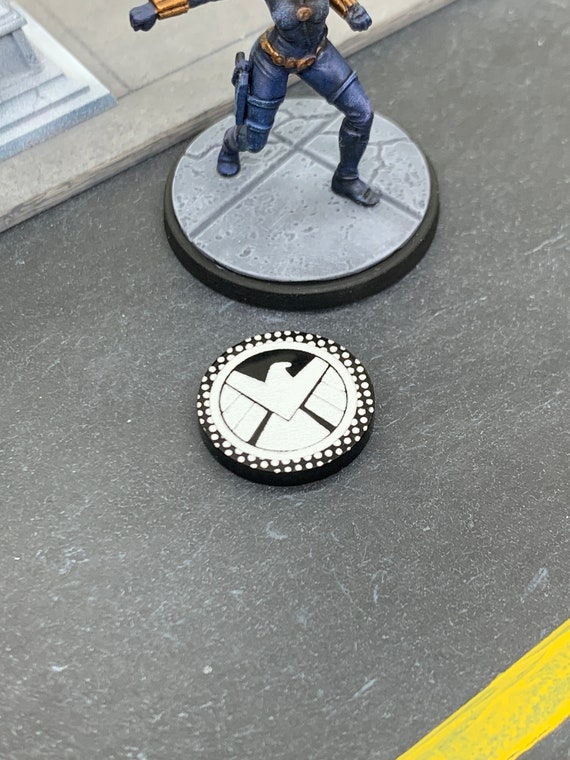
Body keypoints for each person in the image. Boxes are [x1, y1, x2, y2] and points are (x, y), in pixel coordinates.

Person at [130, 0, 380, 206]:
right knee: (253, 141)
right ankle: (230, 144)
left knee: (362, 113)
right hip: (272, 62)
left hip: (318, 56)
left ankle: (346, 178)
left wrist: (352, 9)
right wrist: (156, 8)